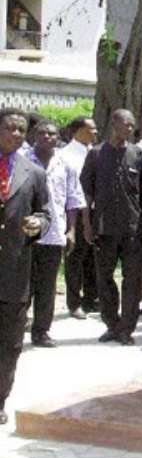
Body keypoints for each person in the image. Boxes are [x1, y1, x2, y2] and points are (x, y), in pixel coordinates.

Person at [80, 109, 142, 346]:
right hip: (104, 228)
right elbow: (86, 194)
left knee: (132, 280)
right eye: (126, 124)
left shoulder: (138, 155)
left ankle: (126, 329)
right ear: (113, 124)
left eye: (132, 126)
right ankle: (111, 323)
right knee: (104, 277)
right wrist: (87, 225)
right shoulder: (96, 155)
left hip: (132, 229)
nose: (129, 129)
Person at [0, 108, 50, 424]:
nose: (17, 134)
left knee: (9, 344)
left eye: (21, 130)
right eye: (10, 128)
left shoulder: (34, 173)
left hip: (14, 272)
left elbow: (46, 214)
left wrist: (39, 223)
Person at [26, 120, 85, 347]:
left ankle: (41, 331)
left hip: (54, 234)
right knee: (23, 285)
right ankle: (16, 326)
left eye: (52, 134)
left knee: (47, 286)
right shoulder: (23, 160)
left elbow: (73, 199)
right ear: (34, 135)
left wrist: (71, 231)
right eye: (42, 133)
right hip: (25, 233)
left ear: (58, 137)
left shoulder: (65, 163)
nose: (47, 137)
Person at [60, 115, 98, 319]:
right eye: (91, 129)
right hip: (74, 212)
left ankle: (91, 299)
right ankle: (74, 302)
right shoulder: (66, 156)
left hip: (94, 212)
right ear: (78, 131)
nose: (95, 132)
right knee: (75, 257)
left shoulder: (95, 153)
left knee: (92, 257)